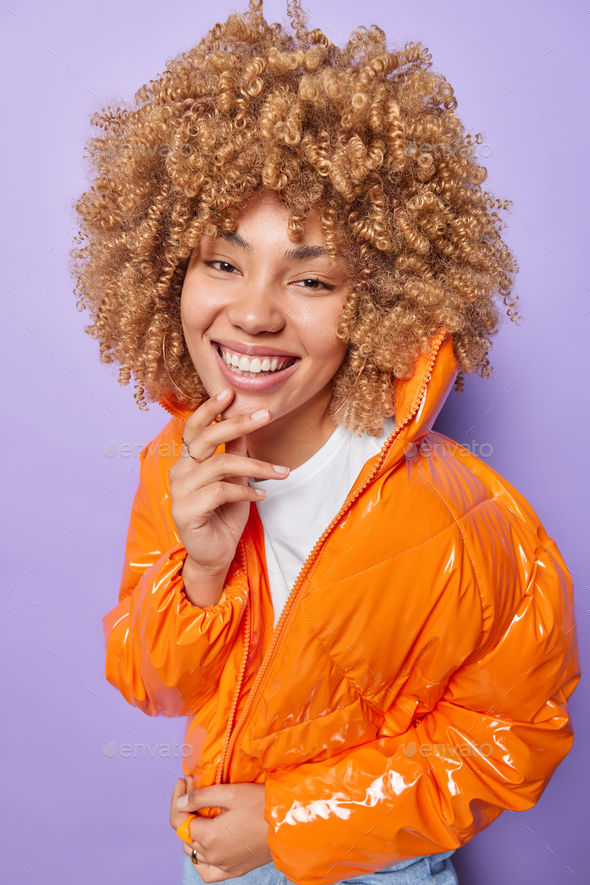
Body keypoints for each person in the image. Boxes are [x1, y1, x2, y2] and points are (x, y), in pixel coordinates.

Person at [70, 2, 580, 883]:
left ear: (377, 302)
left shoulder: (470, 522)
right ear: (164, 272)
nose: (257, 310)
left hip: (375, 866)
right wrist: (198, 575)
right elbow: (151, 683)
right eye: (222, 261)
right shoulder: (177, 461)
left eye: (310, 277)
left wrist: (287, 824)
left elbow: (514, 737)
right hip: (214, 851)